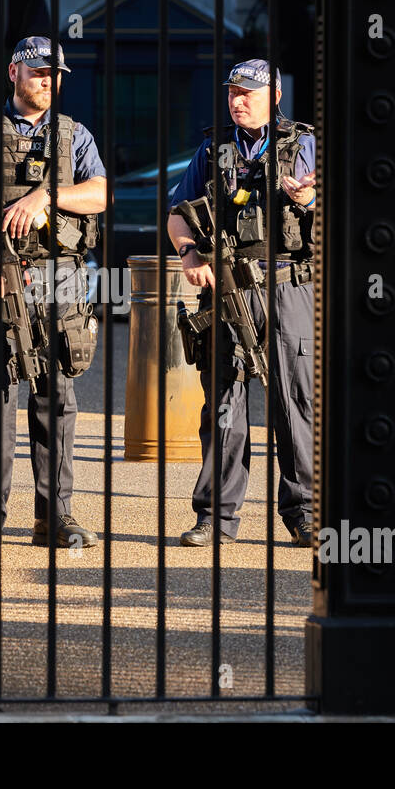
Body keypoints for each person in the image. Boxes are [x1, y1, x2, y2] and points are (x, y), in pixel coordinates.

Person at [0, 37, 108, 551]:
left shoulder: (75, 135)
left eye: (55, 75)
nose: (47, 82)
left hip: (59, 279)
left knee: (55, 397)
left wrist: (47, 194)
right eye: (38, 72)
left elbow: (99, 193)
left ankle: (54, 517)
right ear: (14, 72)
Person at [165, 58, 318, 548]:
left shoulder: (305, 144)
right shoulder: (214, 148)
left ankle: (305, 514)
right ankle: (216, 517)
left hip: (287, 285)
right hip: (226, 287)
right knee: (224, 405)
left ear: (274, 96)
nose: (237, 100)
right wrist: (189, 252)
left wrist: (309, 200)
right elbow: (177, 214)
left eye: (247, 93)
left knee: (294, 401)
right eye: (232, 92)